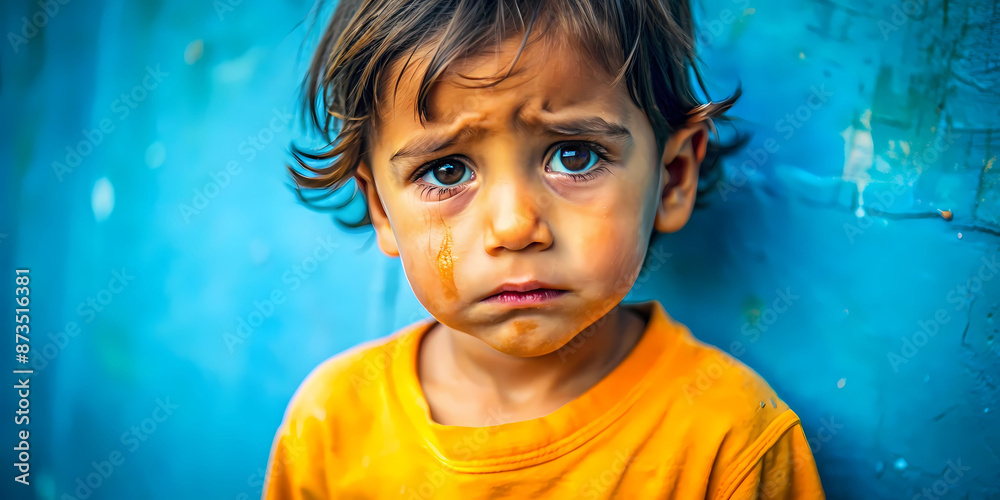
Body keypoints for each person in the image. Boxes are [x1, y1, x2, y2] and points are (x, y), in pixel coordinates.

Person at [264, 0, 826, 498]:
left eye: (574, 156)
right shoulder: (331, 424)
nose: (514, 227)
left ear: (672, 176)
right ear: (382, 209)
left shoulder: (729, 444)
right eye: (447, 169)